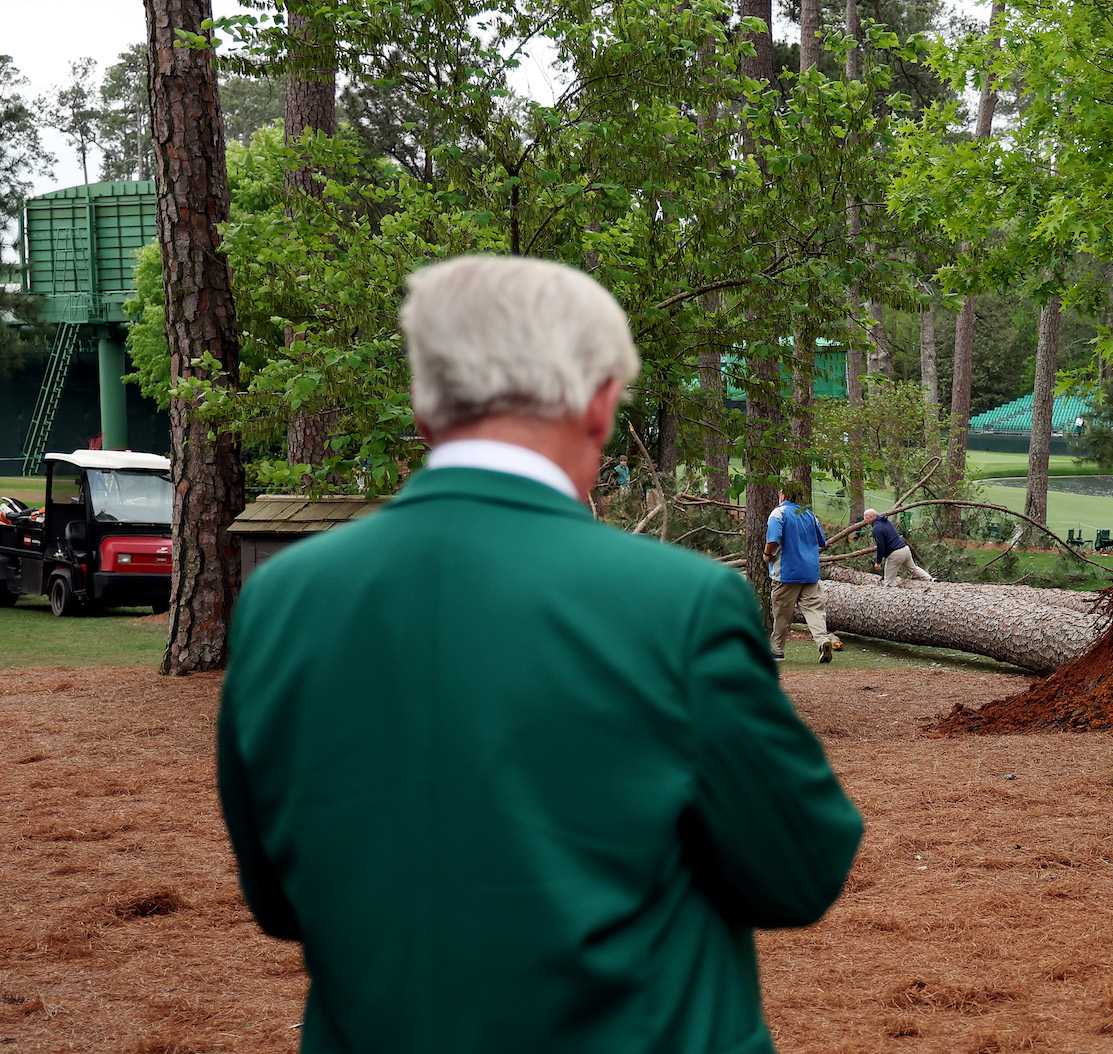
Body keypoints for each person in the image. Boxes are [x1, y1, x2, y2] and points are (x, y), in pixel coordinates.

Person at [217, 255, 862, 1053]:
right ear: (597, 405)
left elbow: (280, 900)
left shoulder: (285, 600)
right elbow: (799, 869)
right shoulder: (680, 604)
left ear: (424, 408)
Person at [765, 483, 838, 663]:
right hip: (810, 572)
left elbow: (773, 539)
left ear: (783, 496)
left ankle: (777, 650)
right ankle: (822, 641)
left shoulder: (778, 513)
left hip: (786, 573)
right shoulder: (809, 514)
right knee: (814, 610)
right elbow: (822, 541)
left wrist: (767, 555)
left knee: (782, 613)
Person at [865, 508, 934, 586]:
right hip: (905, 549)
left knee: (888, 581)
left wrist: (878, 562)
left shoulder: (876, 528)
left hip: (895, 554)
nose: (865, 520)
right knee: (913, 568)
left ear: (871, 518)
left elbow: (880, 546)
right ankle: (931, 579)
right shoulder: (886, 521)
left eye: (865, 518)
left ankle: (888, 594)